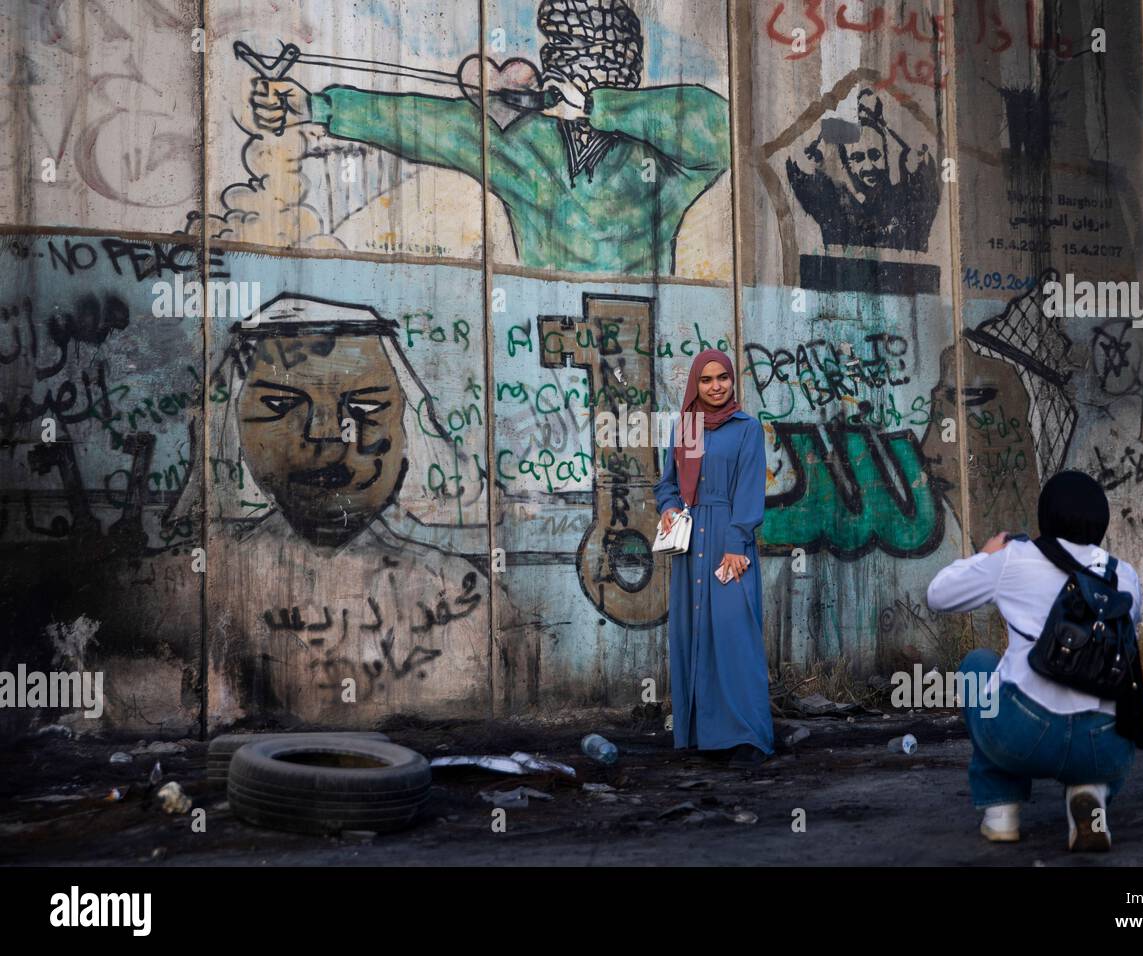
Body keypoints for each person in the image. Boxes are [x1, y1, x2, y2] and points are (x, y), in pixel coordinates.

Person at [247, 0, 730, 276]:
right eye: (563, 50)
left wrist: (596, 107)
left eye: (592, 53)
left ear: (624, 65)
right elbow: (426, 123)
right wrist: (317, 107)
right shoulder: (523, 140)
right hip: (544, 317)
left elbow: (717, 128)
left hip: (638, 332)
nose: (573, 63)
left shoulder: (664, 163)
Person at [925, 470, 1143, 851]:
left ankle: (1000, 812)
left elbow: (938, 595)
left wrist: (986, 556)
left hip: (1022, 735)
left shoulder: (1015, 558)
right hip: (1103, 744)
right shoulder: (1125, 577)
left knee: (978, 666)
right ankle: (1090, 794)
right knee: (1108, 698)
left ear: (1045, 516)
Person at [654, 349, 773, 769]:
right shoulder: (684, 427)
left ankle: (747, 736)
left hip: (728, 541)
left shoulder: (747, 429)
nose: (716, 386)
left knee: (733, 634)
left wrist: (737, 543)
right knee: (695, 633)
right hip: (690, 545)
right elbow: (666, 484)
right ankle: (702, 736)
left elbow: (750, 490)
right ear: (695, 385)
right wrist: (668, 506)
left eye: (723, 378)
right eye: (706, 380)